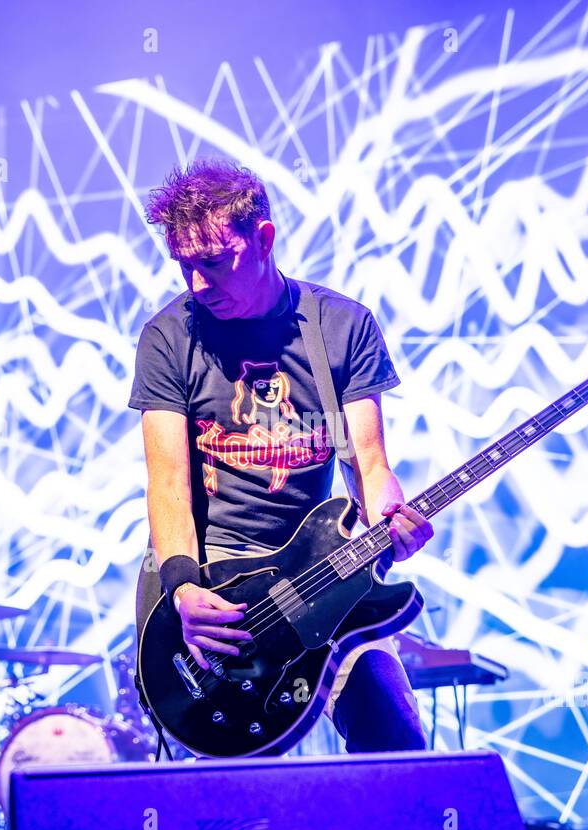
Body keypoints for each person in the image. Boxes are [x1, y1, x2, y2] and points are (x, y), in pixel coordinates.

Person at [129, 158, 432, 753]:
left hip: (317, 568)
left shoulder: (341, 327)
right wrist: (183, 591)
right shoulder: (168, 336)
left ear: (263, 239)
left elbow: (370, 465)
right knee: (236, 782)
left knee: (396, 740)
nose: (197, 284)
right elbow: (167, 484)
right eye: (185, 265)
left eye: (215, 261)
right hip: (213, 574)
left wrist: (390, 520)